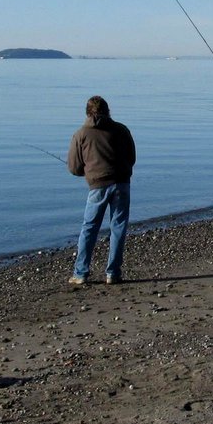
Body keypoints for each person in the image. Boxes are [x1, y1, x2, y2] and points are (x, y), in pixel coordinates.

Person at [67, 95, 136, 285]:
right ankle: (113, 273)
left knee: (89, 228)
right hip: (122, 183)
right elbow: (131, 157)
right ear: (108, 110)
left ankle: (80, 273)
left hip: (97, 186)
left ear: (88, 113)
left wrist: (88, 172)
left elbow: (74, 167)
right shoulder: (121, 130)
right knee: (118, 227)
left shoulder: (80, 134)